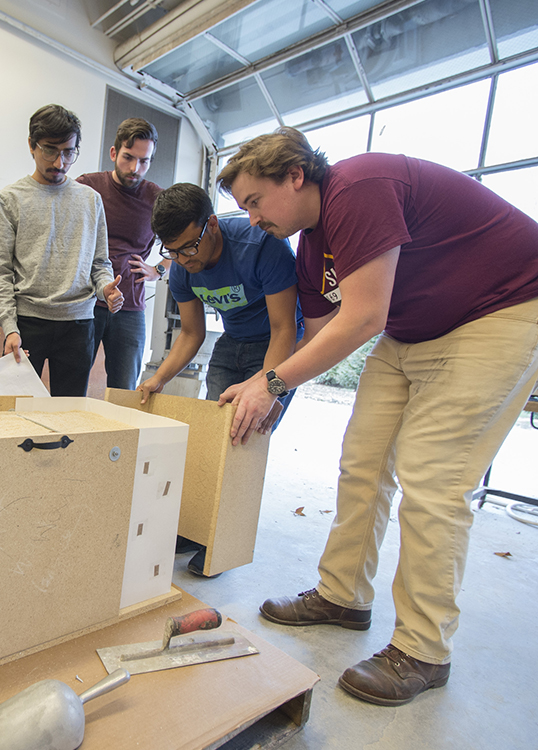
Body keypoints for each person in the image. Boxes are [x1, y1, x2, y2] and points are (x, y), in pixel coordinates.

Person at [216, 126, 538, 707]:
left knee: (435, 478)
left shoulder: (358, 186)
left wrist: (270, 382)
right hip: (412, 331)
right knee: (362, 461)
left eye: (254, 201)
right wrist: (266, 393)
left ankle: (423, 649)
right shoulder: (311, 248)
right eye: (243, 209)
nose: (252, 217)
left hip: (502, 309)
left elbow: (363, 318)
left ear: (295, 175)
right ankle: (342, 596)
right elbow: (318, 338)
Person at [138, 182, 302, 574]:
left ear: (211, 224)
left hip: (277, 348)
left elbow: (284, 329)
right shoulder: (182, 267)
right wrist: (158, 378)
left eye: (188, 247)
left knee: (242, 440)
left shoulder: (261, 248)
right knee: (214, 441)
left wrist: (271, 387)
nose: (182, 259)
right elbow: (192, 333)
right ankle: (197, 529)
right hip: (232, 345)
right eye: (171, 251)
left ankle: (223, 543)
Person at [0, 104, 123, 396]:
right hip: (26, 324)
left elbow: (100, 263)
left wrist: (105, 289)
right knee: (15, 411)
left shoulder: (90, 200)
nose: (60, 162)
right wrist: (9, 326)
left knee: (70, 415)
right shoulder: (9, 200)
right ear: (31, 146)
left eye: (69, 152)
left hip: (78, 324)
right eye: (50, 150)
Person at [77, 118, 164, 390]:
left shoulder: (157, 198)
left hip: (130, 307)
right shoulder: (86, 187)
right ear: (114, 153)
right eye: (128, 157)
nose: (134, 168)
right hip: (85, 302)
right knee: (71, 384)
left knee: (124, 390)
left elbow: (188, 239)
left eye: (144, 161)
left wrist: (158, 270)